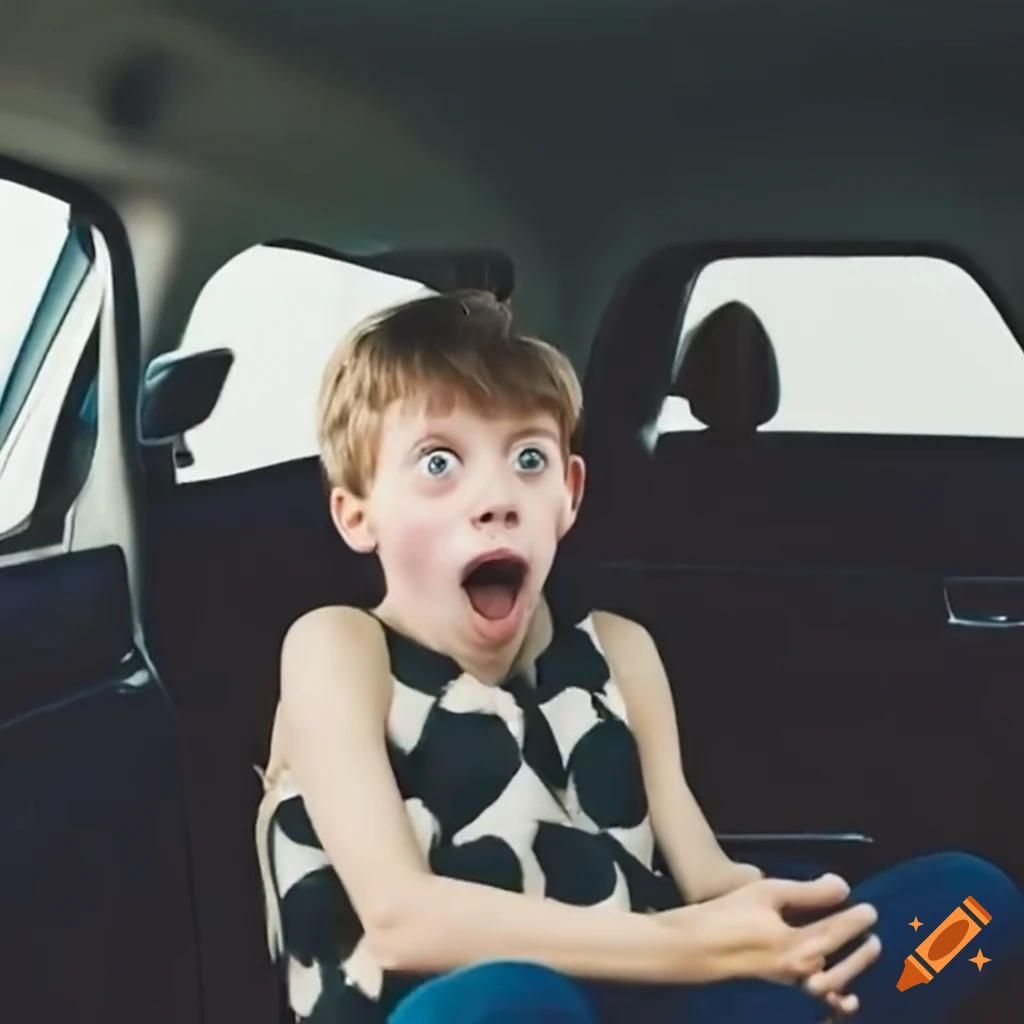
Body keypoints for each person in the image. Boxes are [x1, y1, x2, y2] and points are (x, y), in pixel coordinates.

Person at [255, 290, 1024, 1023]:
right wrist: (691, 946)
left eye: (529, 460)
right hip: (452, 1008)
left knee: (967, 900)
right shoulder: (339, 647)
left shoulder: (619, 650)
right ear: (357, 515)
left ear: (570, 494)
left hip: (651, 995)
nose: (496, 499)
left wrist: (794, 925)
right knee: (506, 1000)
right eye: (438, 464)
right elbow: (400, 921)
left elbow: (703, 875)